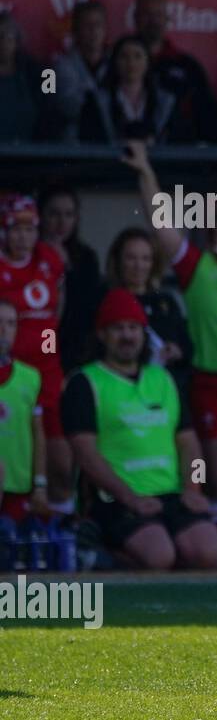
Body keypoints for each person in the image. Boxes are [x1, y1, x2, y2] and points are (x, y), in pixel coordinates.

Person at [122, 140, 217, 523]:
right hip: (211, 384)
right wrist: (145, 171)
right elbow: (161, 224)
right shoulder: (199, 268)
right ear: (210, 241)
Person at [61, 289, 217, 570]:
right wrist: (131, 498)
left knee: (211, 553)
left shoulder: (163, 379)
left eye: (134, 328)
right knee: (160, 556)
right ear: (102, 335)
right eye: (118, 328)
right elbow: (85, 453)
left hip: (171, 495)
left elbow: (189, 444)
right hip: (116, 499)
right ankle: (97, 554)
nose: (127, 336)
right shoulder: (85, 382)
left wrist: (193, 488)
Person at [0, 195, 73, 520]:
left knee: (60, 462)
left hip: (47, 373)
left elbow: (58, 310)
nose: (24, 237)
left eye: (30, 229)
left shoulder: (50, 259)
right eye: (16, 229)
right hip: (11, 380)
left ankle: (59, 531)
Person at [104, 227, 192, 392]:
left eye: (146, 259)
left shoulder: (166, 302)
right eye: (131, 258)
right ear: (118, 260)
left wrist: (176, 351)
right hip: (117, 388)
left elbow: (187, 346)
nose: (139, 266)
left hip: (164, 390)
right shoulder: (106, 301)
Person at [132, 0, 217, 142]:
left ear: (167, 19)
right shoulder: (117, 59)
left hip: (176, 151)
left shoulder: (187, 66)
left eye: (158, 14)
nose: (153, 21)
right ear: (135, 18)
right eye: (146, 14)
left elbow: (205, 113)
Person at [37, 185, 102, 372]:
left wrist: (66, 270)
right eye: (54, 214)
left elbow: (87, 307)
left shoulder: (86, 257)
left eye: (69, 214)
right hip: (40, 339)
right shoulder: (28, 254)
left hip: (75, 348)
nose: (61, 222)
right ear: (41, 216)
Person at [79, 35, 183, 145]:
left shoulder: (166, 101)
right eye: (124, 56)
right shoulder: (96, 100)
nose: (131, 63)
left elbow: (176, 141)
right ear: (115, 62)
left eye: (137, 56)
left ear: (148, 61)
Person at [0, 299, 48, 533]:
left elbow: (38, 433)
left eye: (10, 323)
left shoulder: (30, 378)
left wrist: (40, 484)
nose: (3, 330)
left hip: (18, 486)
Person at [50, 1, 110, 142]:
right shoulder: (55, 67)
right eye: (87, 25)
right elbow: (67, 106)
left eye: (98, 24)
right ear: (75, 30)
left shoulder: (117, 63)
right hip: (72, 145)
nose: (93, 30)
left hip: (111, 145)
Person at [0, 12, 46, 143]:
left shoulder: (38, 73)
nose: (2, 41)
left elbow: (49, 113)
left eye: (8, 35)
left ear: (16, 40)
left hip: (29, 154)